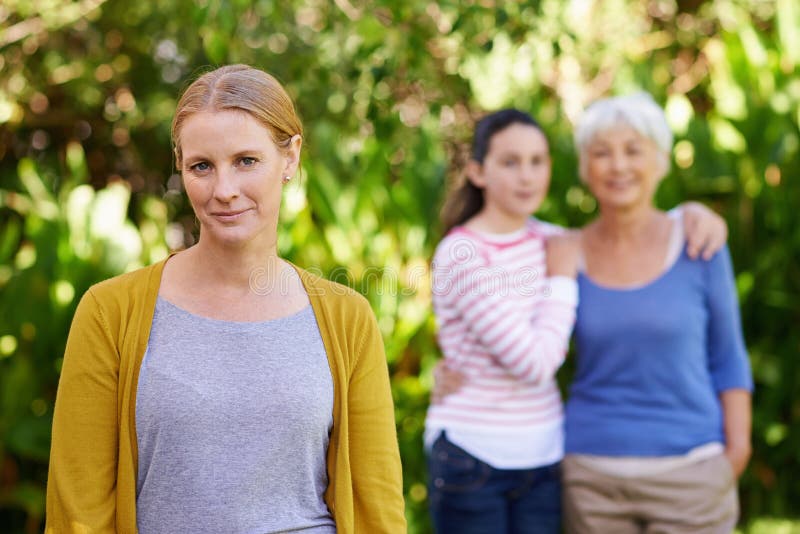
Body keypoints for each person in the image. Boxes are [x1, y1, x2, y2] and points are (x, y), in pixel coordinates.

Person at [46, 64, 406, 534]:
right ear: (180, 165)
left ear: (291, 158)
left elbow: (376, 503)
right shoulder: (110, 313)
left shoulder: (346, 319)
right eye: (202, 166)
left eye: (246, 161)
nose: (224, 191)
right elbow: (79, 512)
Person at [425, 109, 727, 534]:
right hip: (474, 457)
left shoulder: (552, 239)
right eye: (510, 163)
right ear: (477, 171)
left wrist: (695, 212)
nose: (526, 176)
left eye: (538, 161)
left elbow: (629, 238)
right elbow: (534, 363)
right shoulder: (464, 254)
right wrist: (562, 281)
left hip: (544, 457)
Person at [561, 92, 753, 534]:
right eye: (602, 153)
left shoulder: (698, 243)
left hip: (692, 474)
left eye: (634, 150)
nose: (618, 165)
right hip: (592, 480)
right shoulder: (563, 251)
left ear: (661, 162)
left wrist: (736, 453)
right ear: (586, 168)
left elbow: (729, 357)